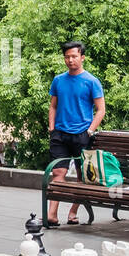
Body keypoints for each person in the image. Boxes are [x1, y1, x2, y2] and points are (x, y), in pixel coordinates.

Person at [46, 41, 105, 226]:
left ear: (82, 57)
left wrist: (90, 131)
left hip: (82, 134)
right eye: (67, 57)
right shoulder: (58, 80)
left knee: (83, 177)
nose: (70, 60)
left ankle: (73, 212)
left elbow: (101, 109)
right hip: (60, 134)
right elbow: (53, 105)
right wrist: (51, 126)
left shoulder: (91, 81)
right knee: (58, 172)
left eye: (74, 56)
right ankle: (52, 215)